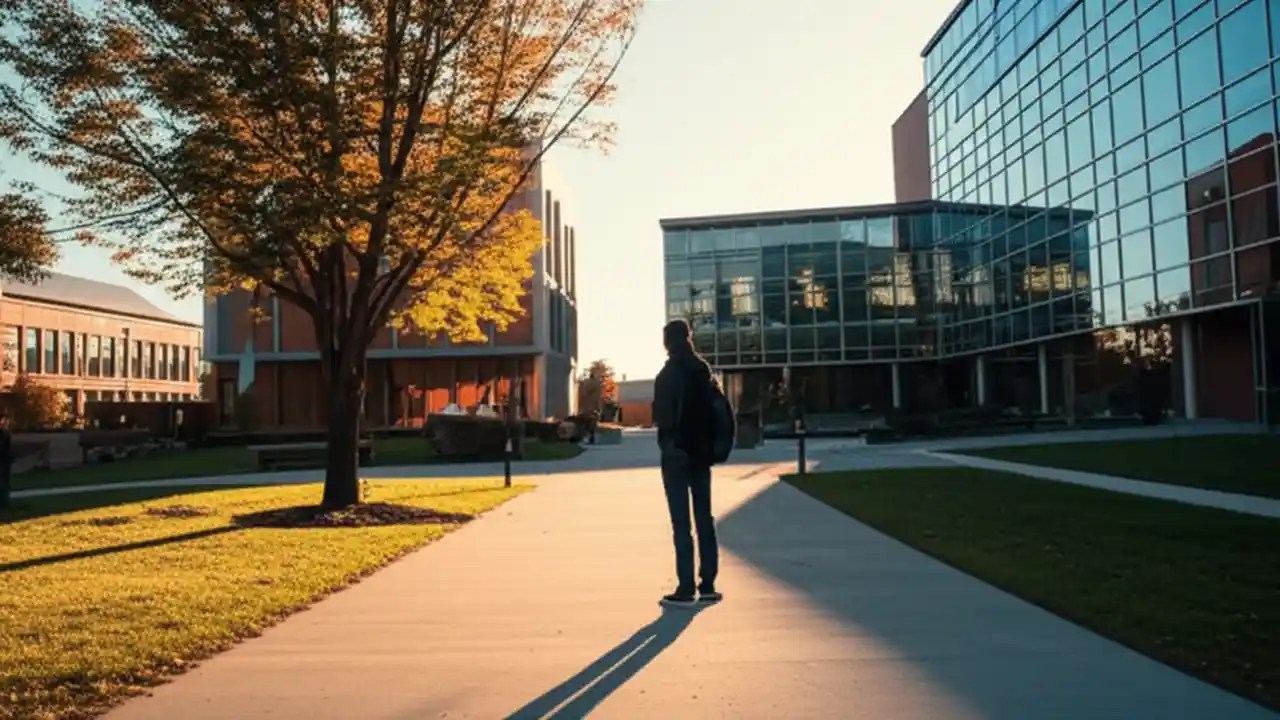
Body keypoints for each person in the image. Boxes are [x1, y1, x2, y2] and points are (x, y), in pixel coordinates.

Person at [652, 319, 721, 607]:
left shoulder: (667, 376)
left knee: (681, 522)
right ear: (689, 338)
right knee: (704, 518)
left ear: (668, 342)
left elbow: (664, 419)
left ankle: (685, 586)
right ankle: (707, 583)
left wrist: (669, 444)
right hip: (701, 454)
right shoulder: (702, 371)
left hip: (676, 455)